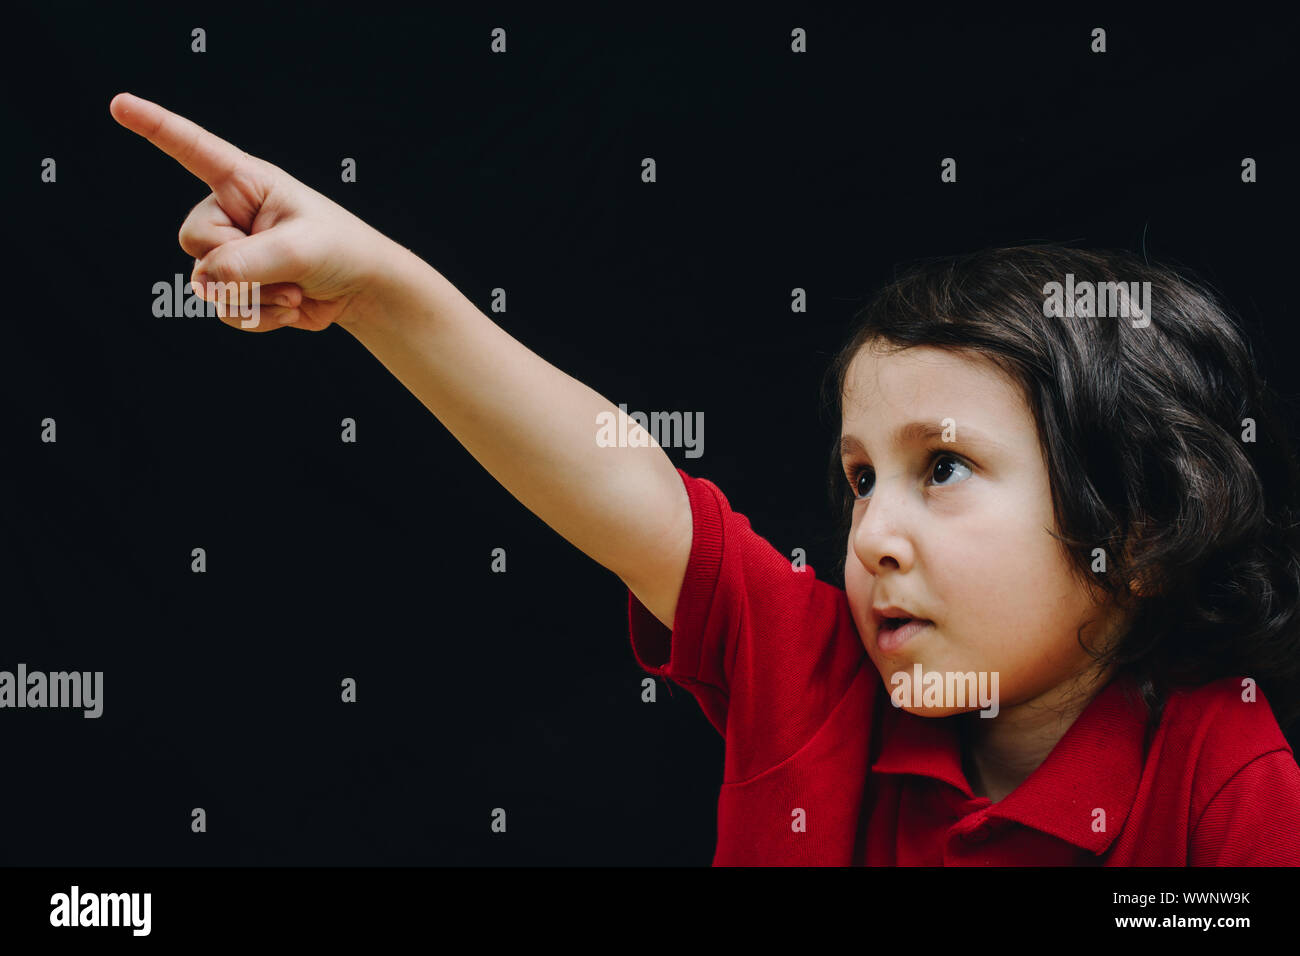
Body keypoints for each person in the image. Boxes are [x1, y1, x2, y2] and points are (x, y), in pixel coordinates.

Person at [109, 92, 1300, 865]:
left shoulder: (1223, 777)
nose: (871, 532)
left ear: (1138, 530)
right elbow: (613, 470)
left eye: (940, 467)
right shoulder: (813, 663)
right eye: (855, 479)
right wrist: (376, 289)